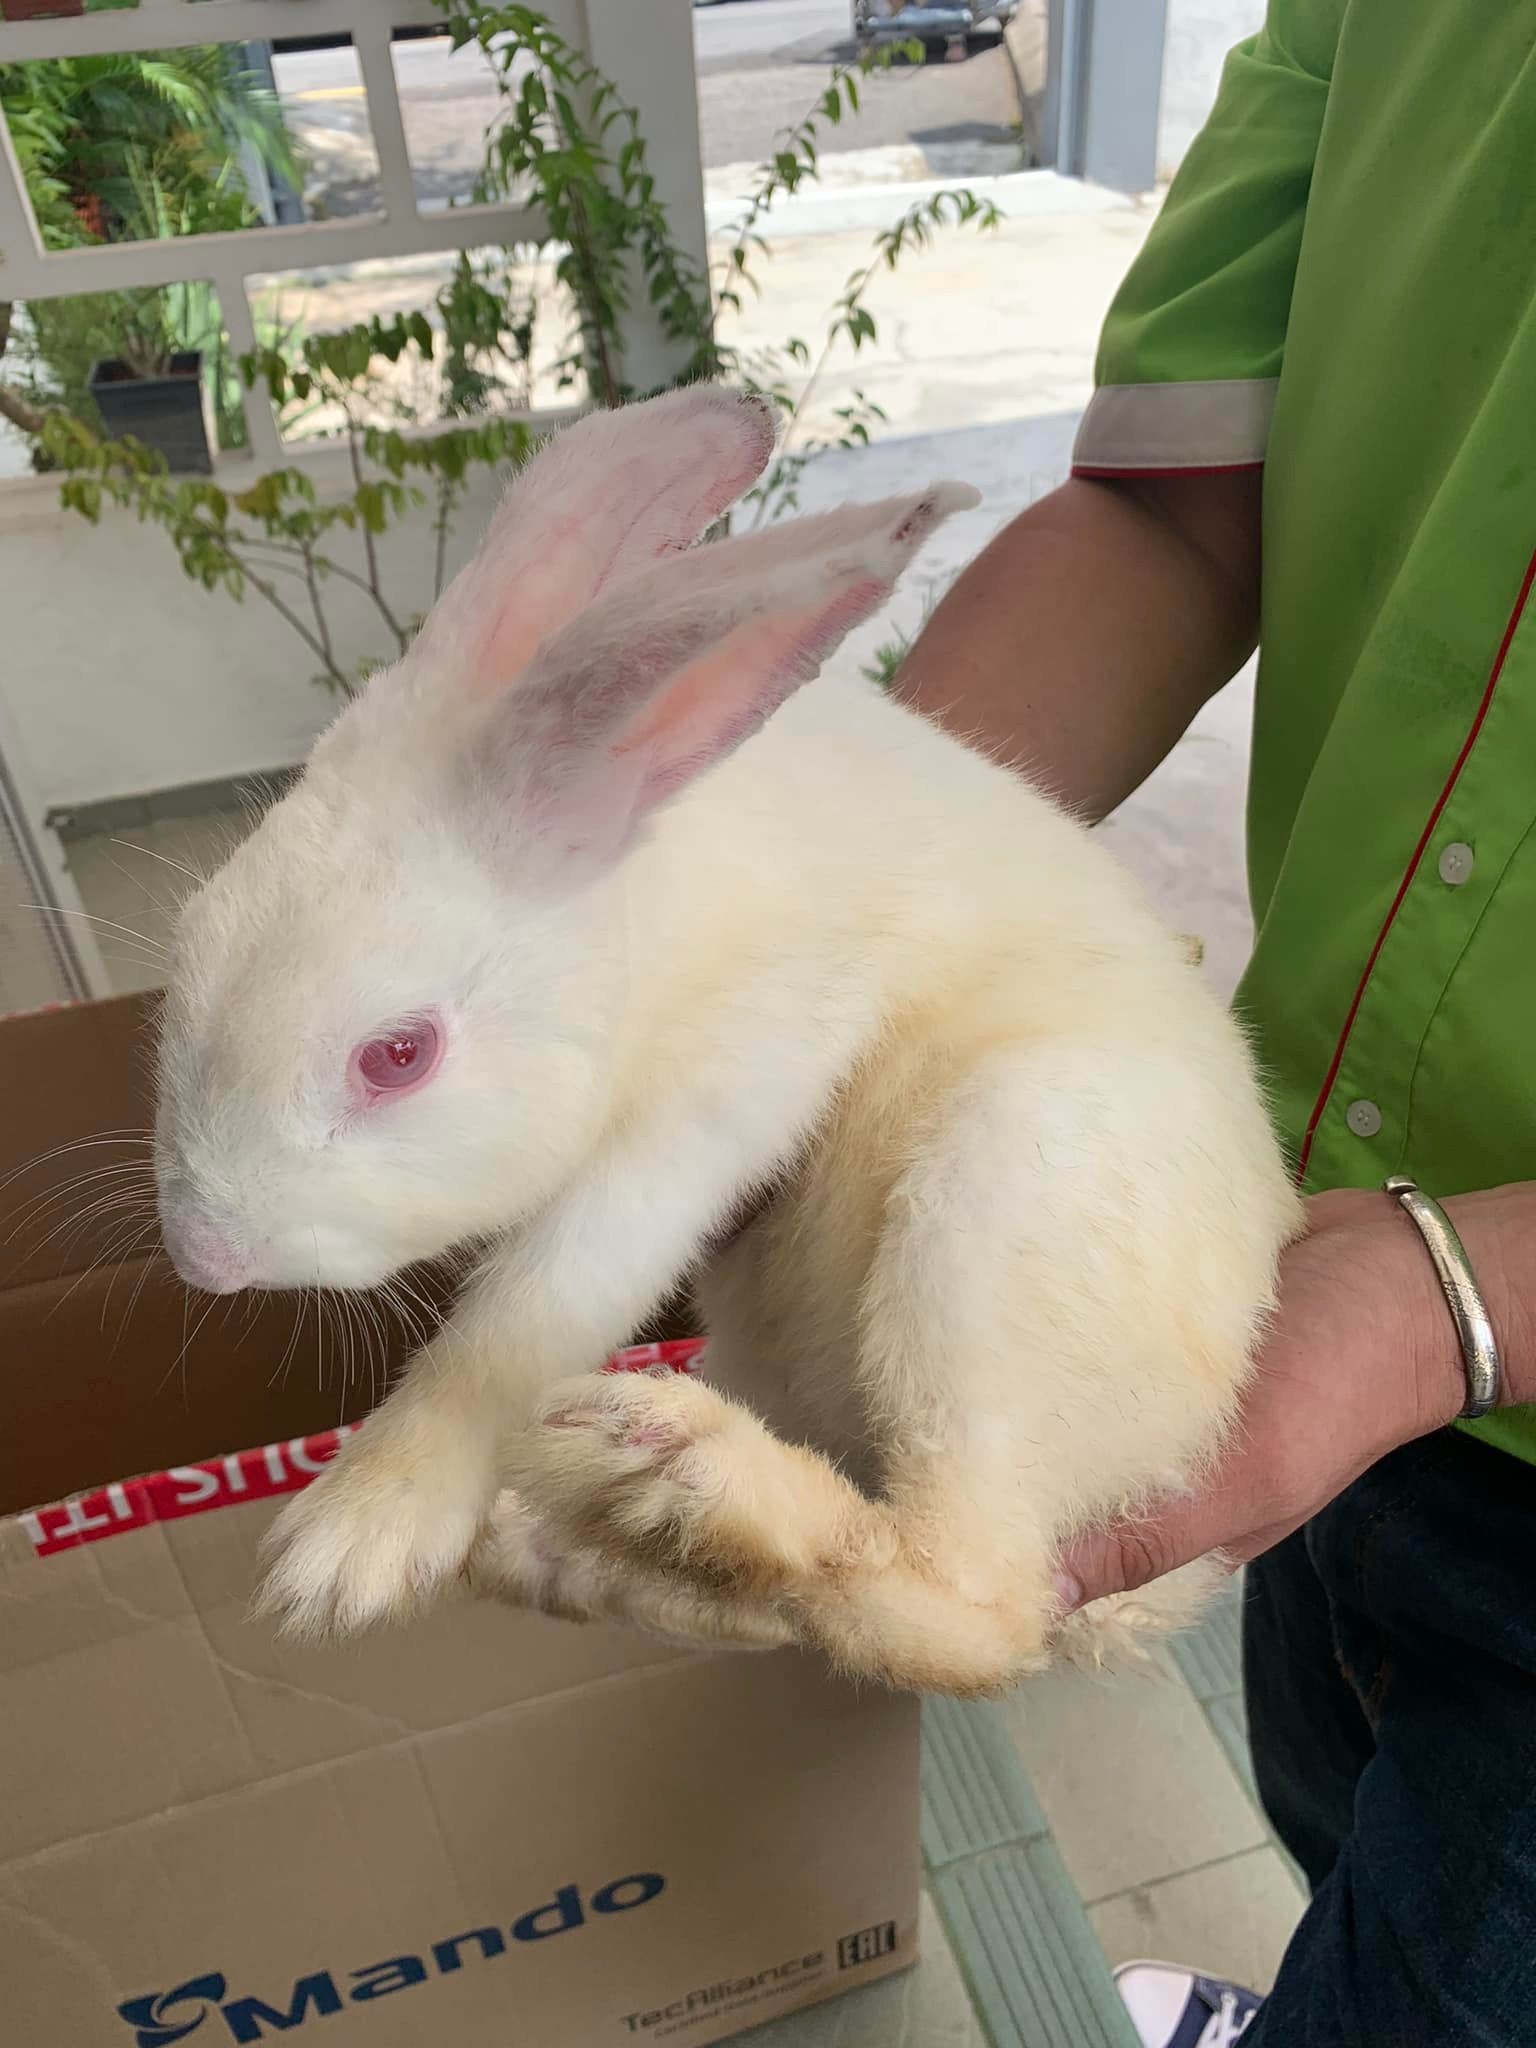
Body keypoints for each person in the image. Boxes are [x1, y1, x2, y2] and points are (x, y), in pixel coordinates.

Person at [895, 5, 1536, 2042]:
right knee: (1333, 1830)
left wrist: (1464, 1295)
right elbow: (1182, 509)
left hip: (1396, 1332)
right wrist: (841, 911)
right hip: (1306, 1339)